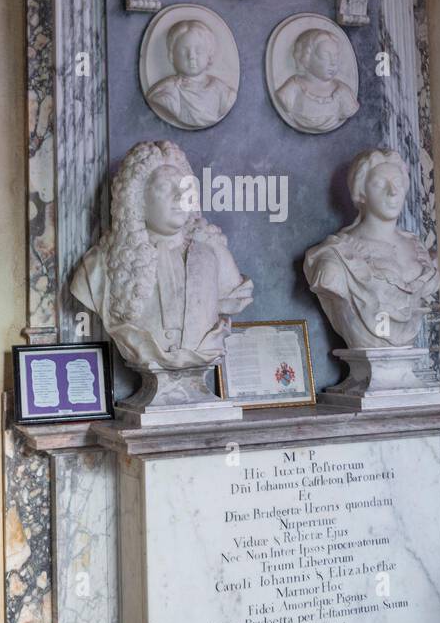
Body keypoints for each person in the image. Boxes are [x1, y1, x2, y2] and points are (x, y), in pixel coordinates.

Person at [71, 140, 252, 369]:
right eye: (164, 187)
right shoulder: (100, 266)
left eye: (183, 187)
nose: (179, 196)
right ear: (138, 200)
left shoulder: (213, 256)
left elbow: (232, 297)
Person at [303, 147, 438, 348]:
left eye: (398, 184)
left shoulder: (418, 248)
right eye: (379, 184)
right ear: (361, 192)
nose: (393, 192)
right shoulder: (336, 255)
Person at [146, 19, 236, 128]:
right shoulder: (165, 92)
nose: (192, 56)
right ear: (171, 55)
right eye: (184, 51)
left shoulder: (224, 93)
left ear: (210, 55)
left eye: (198, 51)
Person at [276, 27, 359, 133]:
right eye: (326, 56)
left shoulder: (344, 93)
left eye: (336, 56)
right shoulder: (291, 89)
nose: (333, 62)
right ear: (306, 57)